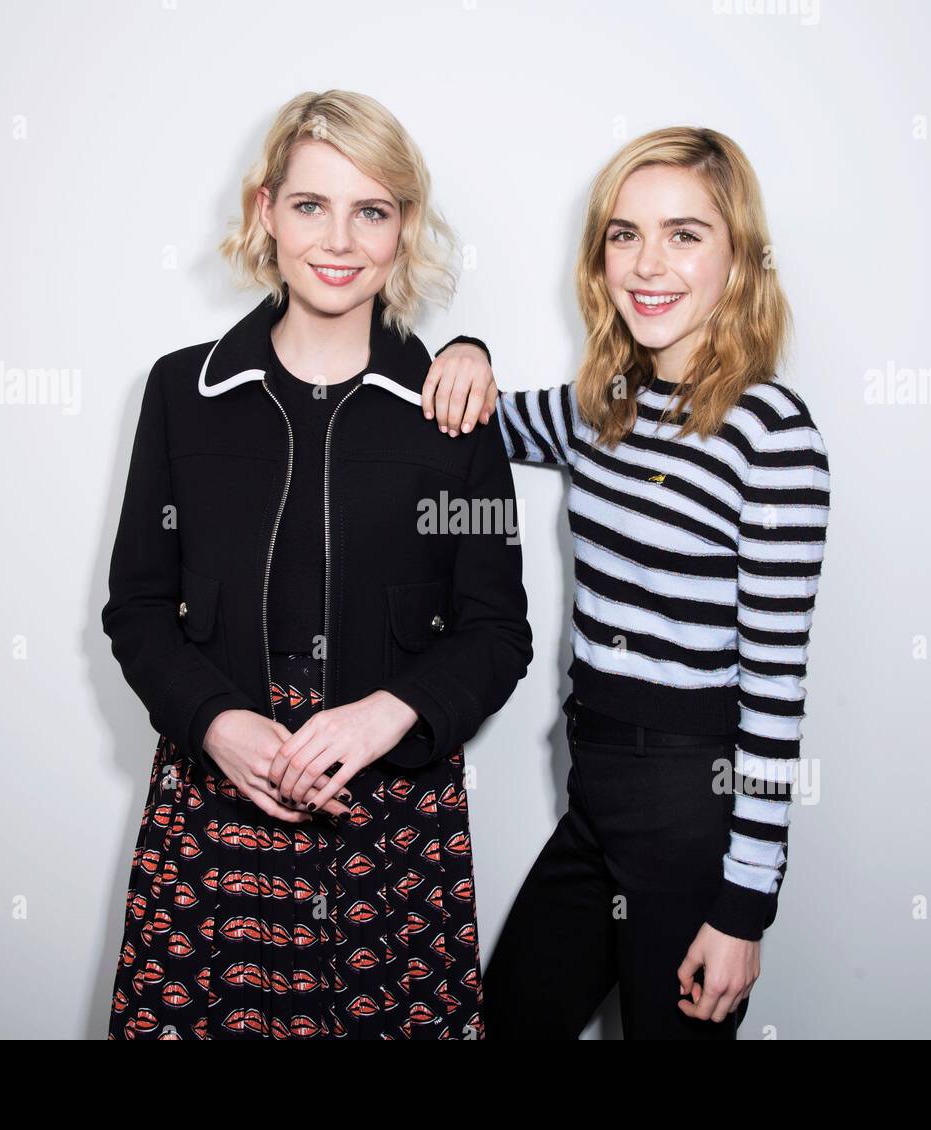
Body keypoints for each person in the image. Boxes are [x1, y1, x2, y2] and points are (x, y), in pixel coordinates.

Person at [101, 89, 531, 1040]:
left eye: (371, 210)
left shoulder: (456, 411)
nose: (339, 239)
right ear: (266, 212)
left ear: (404, 227)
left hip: (395, 828)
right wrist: (215, 724)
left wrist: (385, 717)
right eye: (310, 206)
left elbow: (499, 633)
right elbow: (135, 608)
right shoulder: (180, 393)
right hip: (216, 812)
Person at [426, 126, 831, 1039]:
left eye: (686, 234)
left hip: (693, 811)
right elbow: (472, 419)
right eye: (624, 234)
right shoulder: (602, 405)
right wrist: (465, 349)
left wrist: (742, 914)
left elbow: (774, 696)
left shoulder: (775, 440)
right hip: (593, 793)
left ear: (738, 262)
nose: (648, 263)